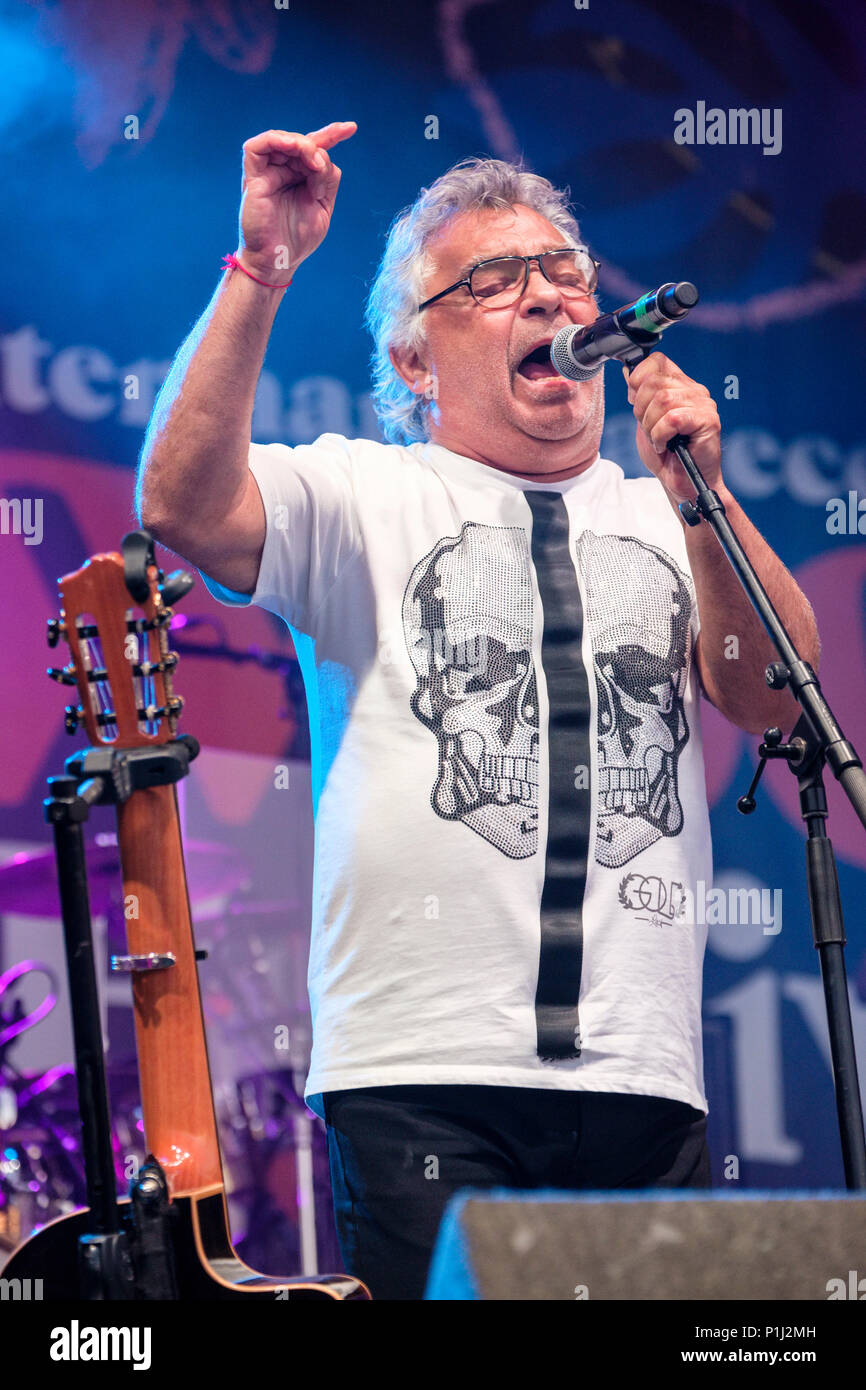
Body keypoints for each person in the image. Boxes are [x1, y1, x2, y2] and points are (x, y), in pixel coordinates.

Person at [137, 122, 820, 1300]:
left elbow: (773, 697)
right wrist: (262, 268)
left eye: (563, 271)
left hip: (642, 1082)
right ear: (415, 357)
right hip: (424, 1069)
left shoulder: (666, 512)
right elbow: (181, 502)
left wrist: (697, 490)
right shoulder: (362, 492)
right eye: (494, 281)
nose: (546, 295)